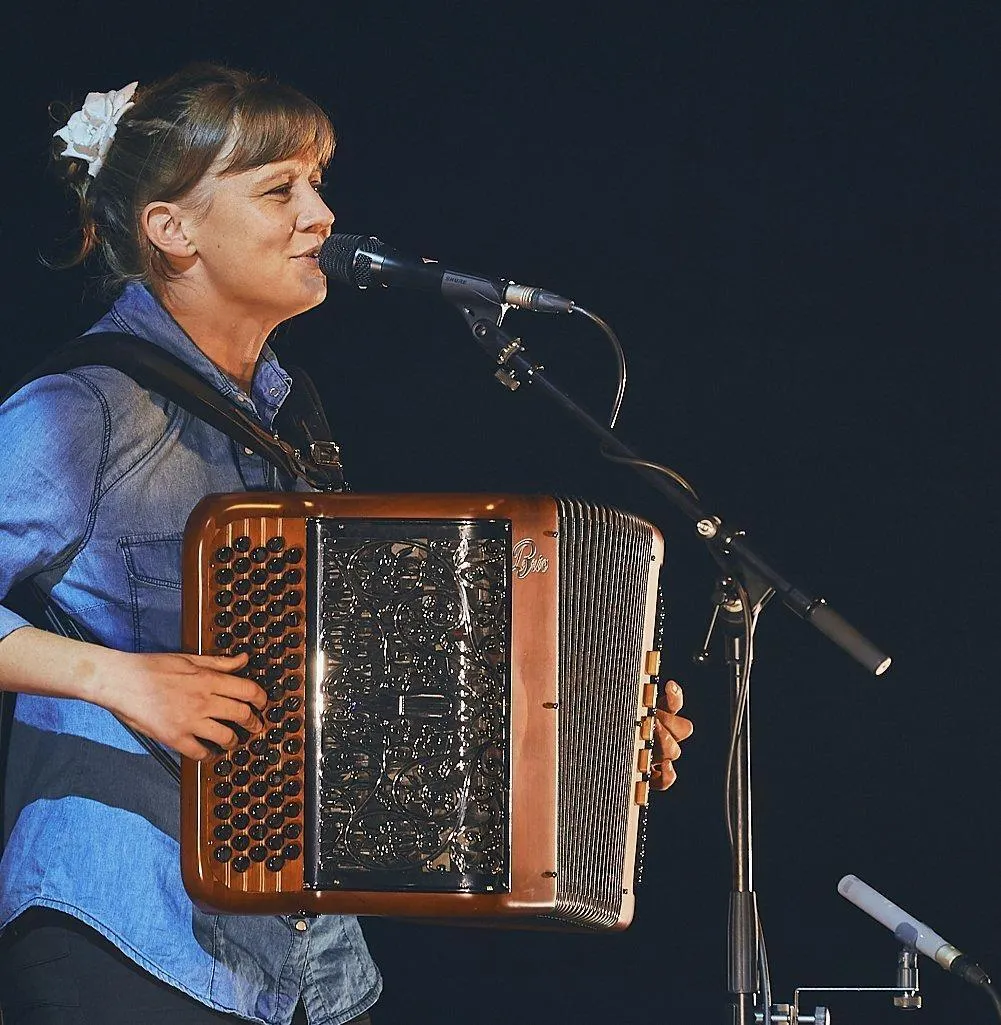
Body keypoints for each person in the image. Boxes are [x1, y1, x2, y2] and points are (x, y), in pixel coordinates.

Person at [0, 64, 693, 1025]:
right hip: (125, 936)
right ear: (173, 230)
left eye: (317, 183)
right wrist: (114, 678)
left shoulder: (291, 426)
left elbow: (349, 693)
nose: (320, 216)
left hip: (304, 968)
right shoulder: (83, 408)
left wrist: (583, 722)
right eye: (280, 189)